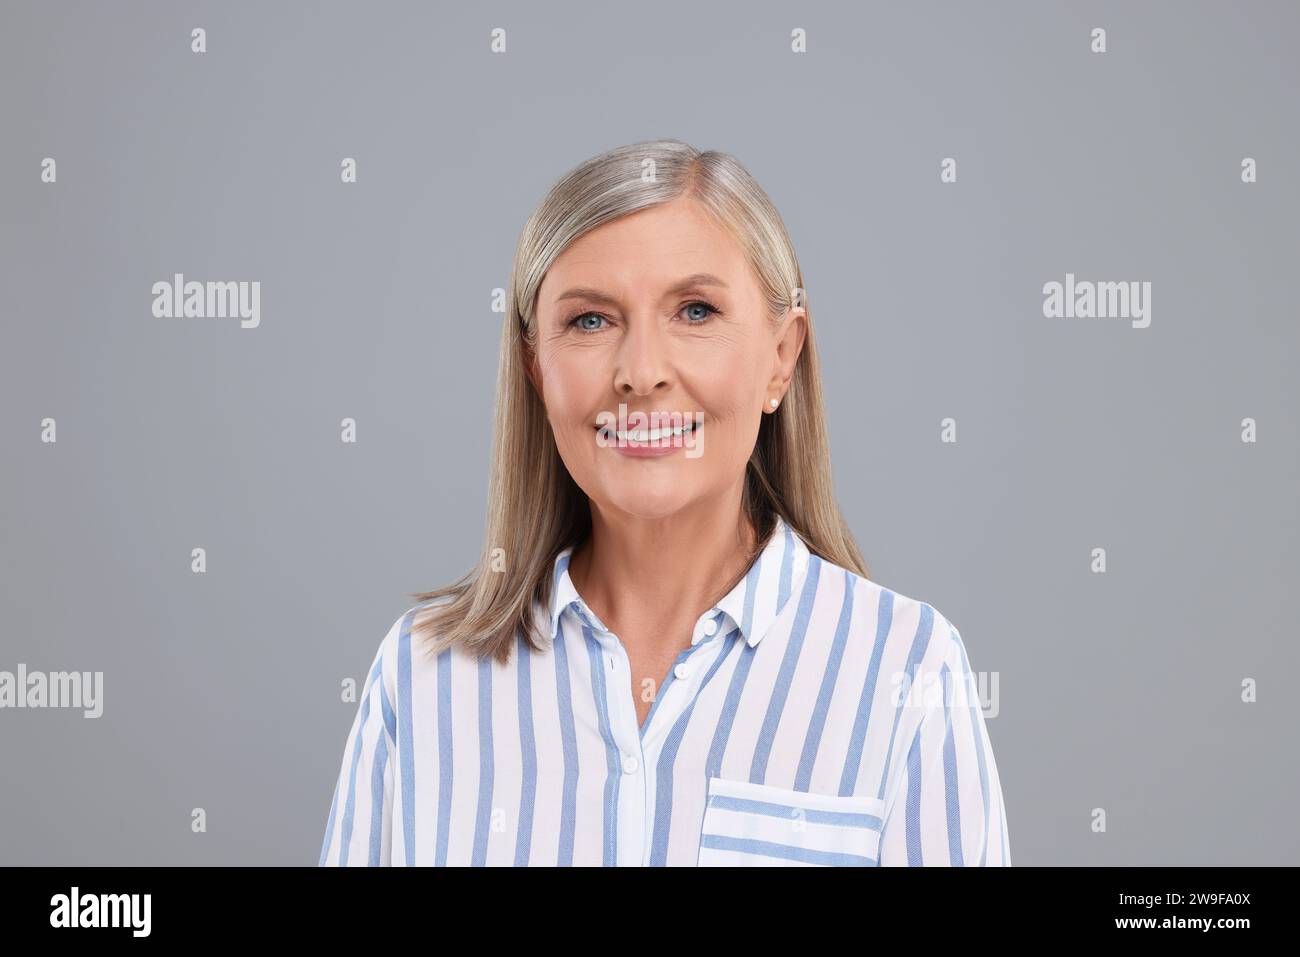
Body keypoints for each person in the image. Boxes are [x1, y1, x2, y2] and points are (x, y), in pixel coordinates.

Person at [319, 138, 1010, 866]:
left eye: (696, 310)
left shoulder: (908, 669)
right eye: (591, 320)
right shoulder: (420, 676)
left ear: (782, 356)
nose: (641, 372)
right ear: (535, 367)